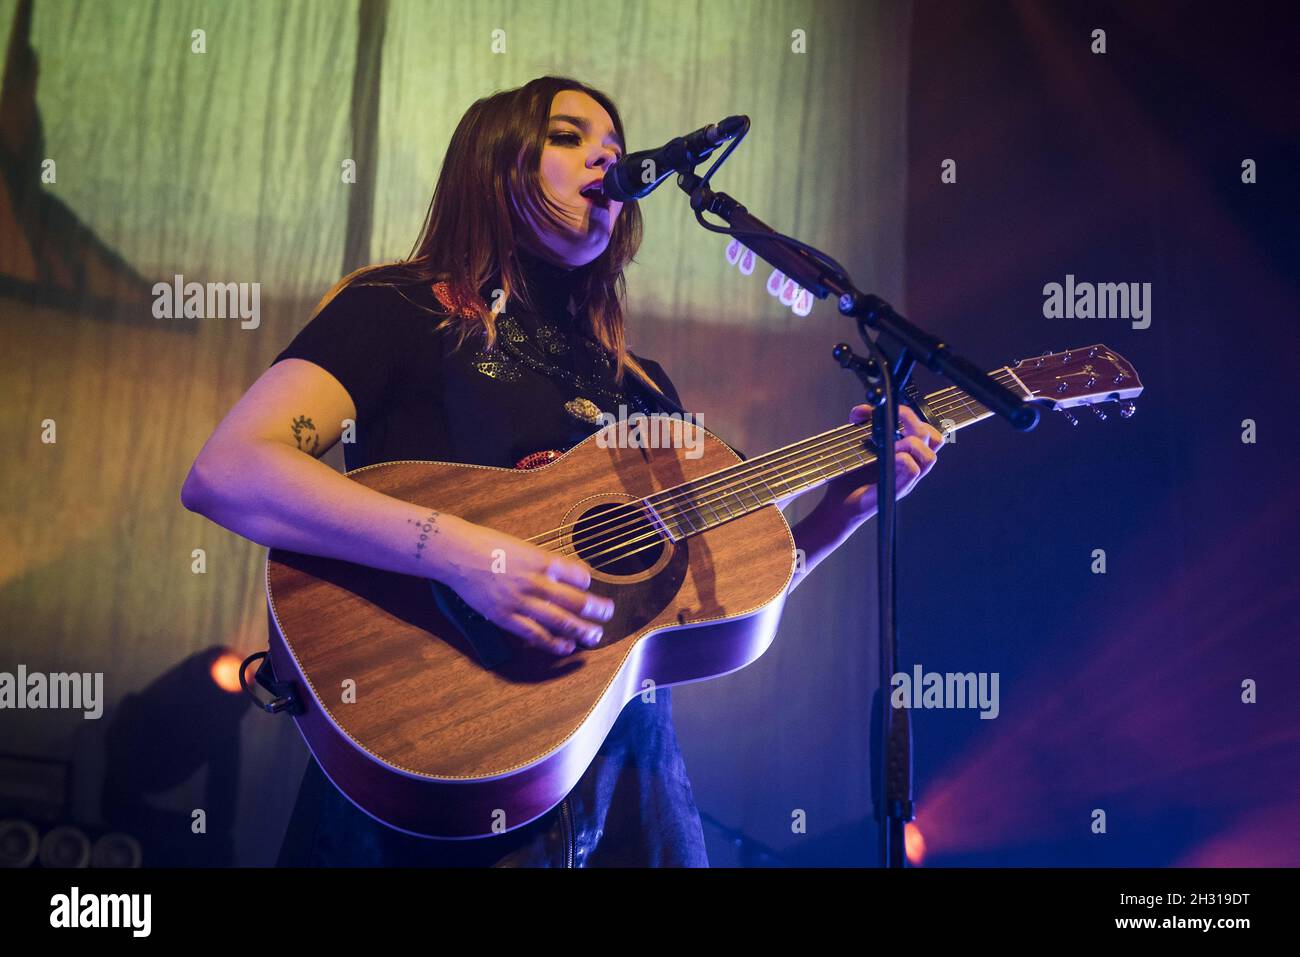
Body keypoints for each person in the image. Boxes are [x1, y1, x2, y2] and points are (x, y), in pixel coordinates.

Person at [180, 75, 944, 867]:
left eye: (615, 149)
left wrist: (835, 514)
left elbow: (699, 606)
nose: (608, 162)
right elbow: (230, 471)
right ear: (494, 160)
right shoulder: (400, 309)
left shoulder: (643, 388)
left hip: (632, 782)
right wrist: (470, 556)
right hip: (441, 754)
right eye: (569, 136)